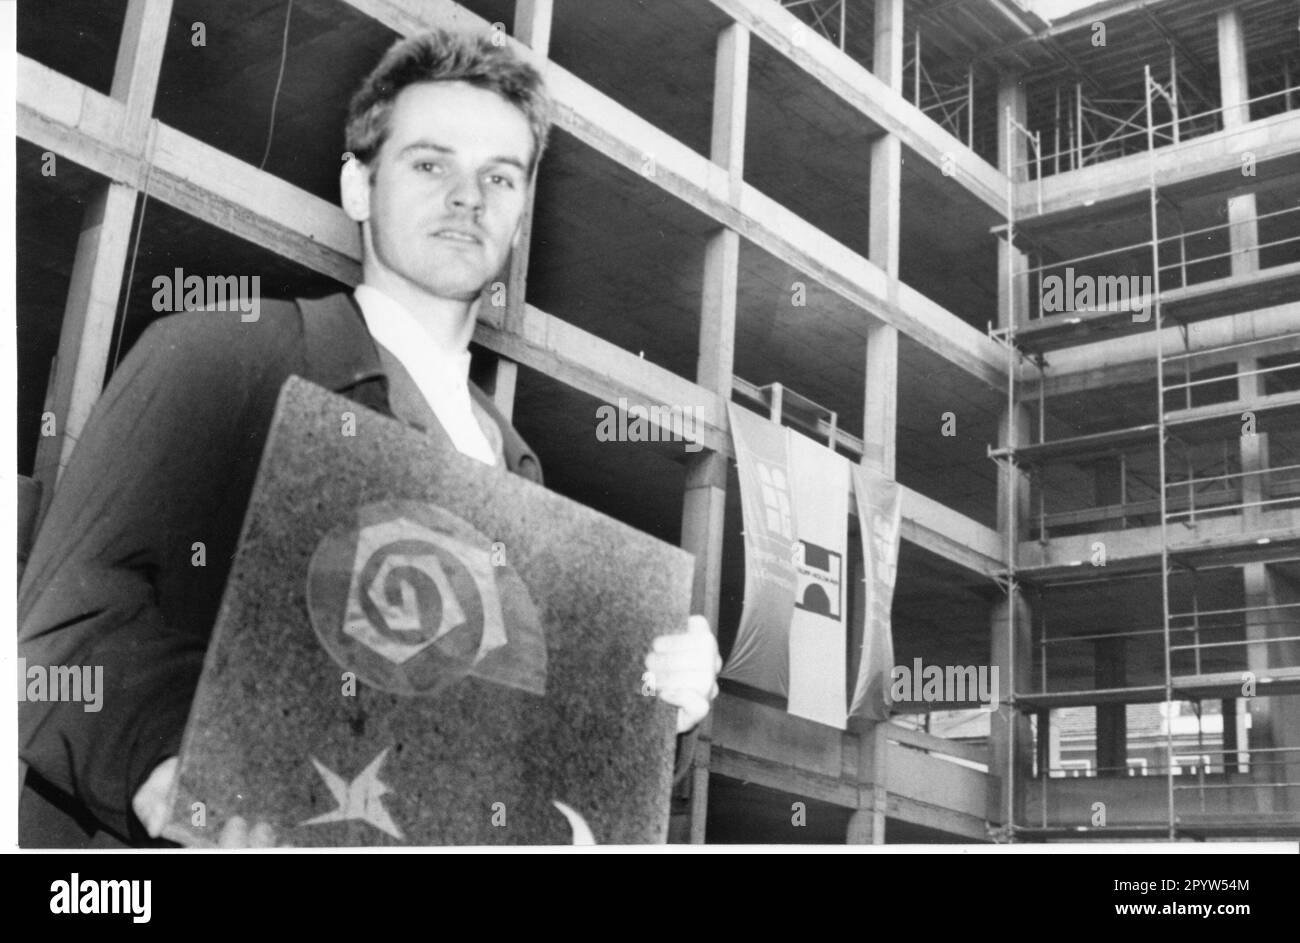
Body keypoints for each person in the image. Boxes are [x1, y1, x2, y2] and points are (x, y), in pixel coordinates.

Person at [18, 28, 720, 847]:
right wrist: (173, 760)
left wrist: (657, 704)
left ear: (522, 217)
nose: (469, 197)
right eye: (430, 163)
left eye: (500, 176)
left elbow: (522, 758)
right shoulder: (223, 357)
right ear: (358, 186)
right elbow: (61, 635)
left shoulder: (520, 473)